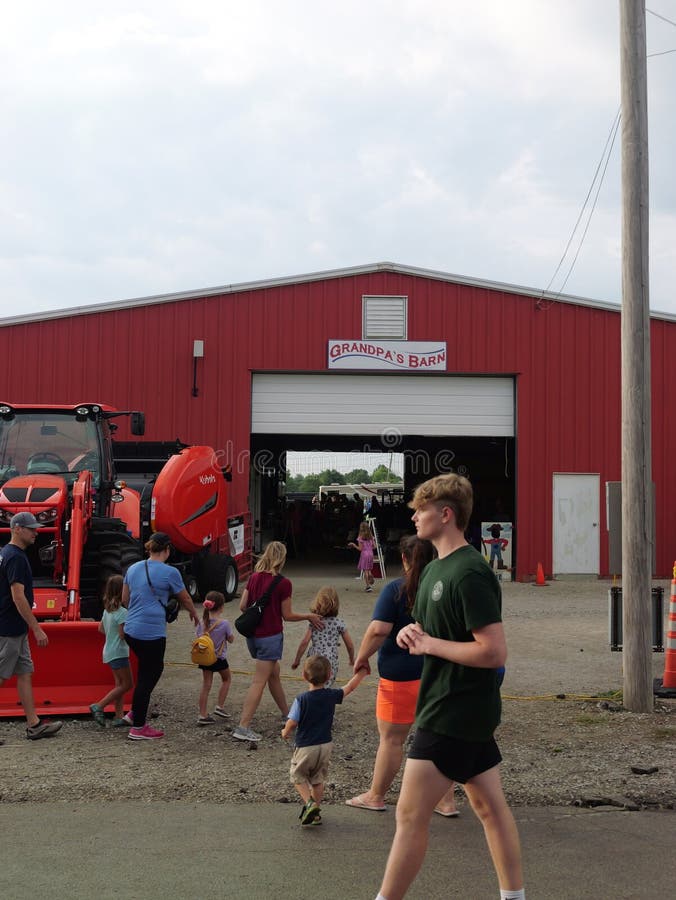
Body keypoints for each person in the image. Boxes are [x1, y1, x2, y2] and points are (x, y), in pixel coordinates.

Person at [375, 474, 524, 900]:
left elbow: (493, 651)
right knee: (489, 809)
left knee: (409, 815)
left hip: (453, 710)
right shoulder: (434, 570)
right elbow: (433, 630)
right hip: (453, 705)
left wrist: (429, 644)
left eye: (421, 510)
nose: (414, 517)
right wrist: (412, 633)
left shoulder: (471, 571)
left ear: (445, 514)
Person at [347, 535, 456, 816]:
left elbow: (378, 630)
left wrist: (361, 657)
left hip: (401, 676)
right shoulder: (444, 588)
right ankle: (445, 801)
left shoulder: (396, 590)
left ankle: (376, 795)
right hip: (439, 673)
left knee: (392, 740)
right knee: (439, 737)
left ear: (404, 559)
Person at [233, 541, 323, 743]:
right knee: (259, 681)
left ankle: (287, 714)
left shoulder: (254, 577)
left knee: (273, 675)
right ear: (282, 558)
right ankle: (243, 726)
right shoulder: (283, 583)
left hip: (253, 637)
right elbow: (287, 615)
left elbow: (243, 606)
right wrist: (308, 616)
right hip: (270, 638)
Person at [122, 532, 199, 740]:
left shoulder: (133, 568)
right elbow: (185, 598)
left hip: (131, 630)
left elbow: (125, 599)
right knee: (151, 674)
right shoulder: (170, 572)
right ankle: (138, 727)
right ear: (167, 550)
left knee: (145, 671)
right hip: (152, 632)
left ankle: (134, 713)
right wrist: (194, 614)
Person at [281, 654, 367, 826]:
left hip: (306, 746)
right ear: (329, 676)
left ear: (304, 676)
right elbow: (350, 687)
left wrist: (285, 731)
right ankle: (315, 814)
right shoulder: (331, 695)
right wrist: (362, 673)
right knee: (317, 780)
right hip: (326, 744)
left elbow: (293, 721)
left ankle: (310, 804)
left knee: (297, 776)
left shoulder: (301, 699)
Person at [0, 512, 63, 741]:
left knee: (25, 673)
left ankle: (34, 724)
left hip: (15, 627)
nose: (36, 532)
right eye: (31, 529)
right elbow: (18, 596)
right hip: (9, 628)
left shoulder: (6, 554)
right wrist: (36, 628)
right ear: (17, 529)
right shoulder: (15, 557)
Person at [90, 574, 133, 727]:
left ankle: (119, 715)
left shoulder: (107, 611)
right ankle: (99, 705)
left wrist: (111, 634)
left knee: (119, 685)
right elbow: (123, 635)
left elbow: (101, 629)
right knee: (127, 684)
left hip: (108, 651)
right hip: (119, 651)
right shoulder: (122, 612)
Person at [291, 586, 355, 687]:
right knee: (326, 686)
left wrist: (297, 660)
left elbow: (304, 642)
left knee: (314, 684)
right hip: (330, 658)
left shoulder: (314, 622)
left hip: (314, 658)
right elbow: (350, 645)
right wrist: (351, 659)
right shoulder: (339, 623)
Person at [195, 590, 234, 725]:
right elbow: (231, 639)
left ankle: (202, 714)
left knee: (206, 685)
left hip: (205, 658)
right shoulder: (224, 623)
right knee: (226, 679)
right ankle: (220, 706)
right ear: (221, 606)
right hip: (219, 658)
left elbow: (198, 637)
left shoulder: (201, 622)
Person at [348, 521, 375, 592]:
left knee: (365, 570)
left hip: (364, 554)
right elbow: (374, 546)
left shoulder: (360, 538)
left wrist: (353, 545)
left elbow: (360, 549)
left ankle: (368, 586)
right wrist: (369, 547)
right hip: (371, 554)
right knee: (369, 569)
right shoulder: (371, 537)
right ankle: (370, 575)